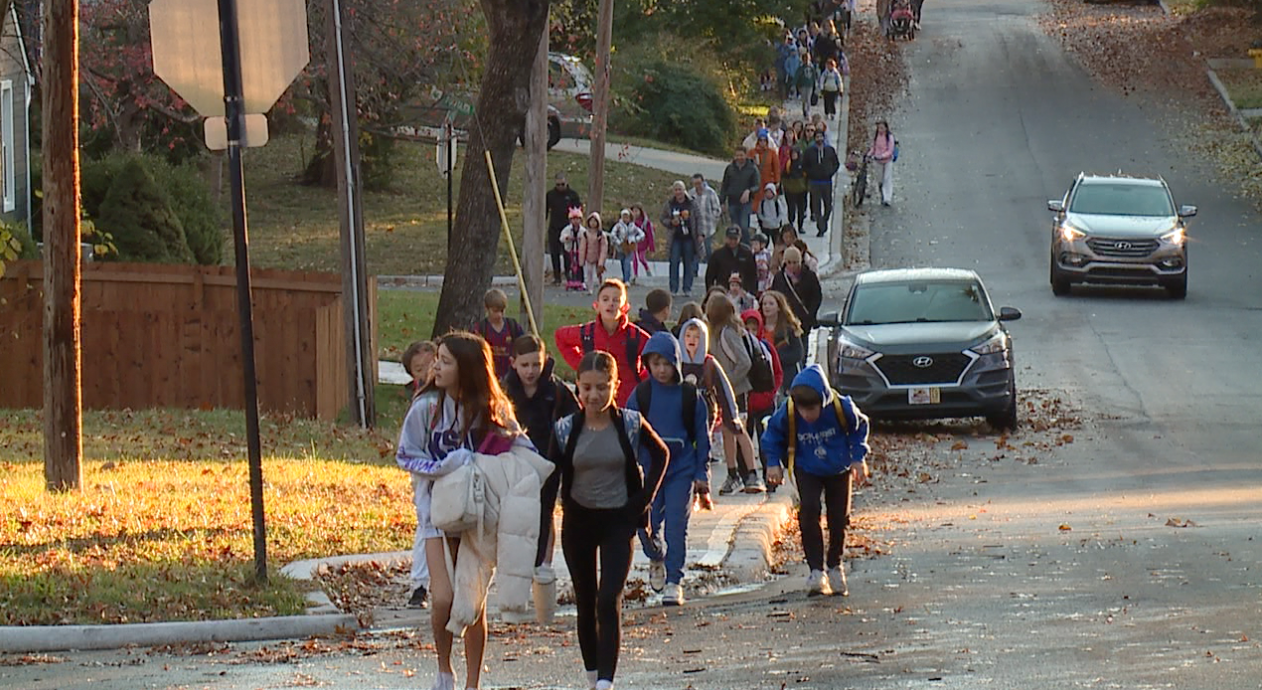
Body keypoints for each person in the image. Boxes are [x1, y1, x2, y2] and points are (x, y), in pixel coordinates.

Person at [396, 332, 539, 690]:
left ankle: (473, 682)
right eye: (436, 360)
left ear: (468, 368)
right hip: (436, 514)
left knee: (472, 603)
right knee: (443, 598)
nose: (436, 366)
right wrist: (445, 466)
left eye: (445, 361)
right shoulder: (425, 407)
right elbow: (405, 456)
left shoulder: (493, 408)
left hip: (479, 517)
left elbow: (522, 448)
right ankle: (444, 670)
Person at [548, 350, 669, 690]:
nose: (594, 395)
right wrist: (539, 525)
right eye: (587, 388)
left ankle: (606, 682)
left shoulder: (629, 423)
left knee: (608, 598)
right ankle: (591, 676)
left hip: (619, 520)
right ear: (577, 388)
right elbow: (549, 476)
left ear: (615, 386)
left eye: (602, 387)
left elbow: (661, 455)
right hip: (579, 523)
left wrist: (641, 501)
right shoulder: (565, 429)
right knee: (585, 600)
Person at [761, 364, 870, 596]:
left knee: (838, 518)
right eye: (803, 409)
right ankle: (816, 571)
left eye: (812, 409)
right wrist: (773, 462)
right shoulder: (789, 411)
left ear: (824, 401)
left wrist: (858, 458)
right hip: (806, 467)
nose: (807, 415)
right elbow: (771, 434)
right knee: (809, 510)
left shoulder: (842, 407)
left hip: (838, 468)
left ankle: (834, 564)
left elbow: (860, 427)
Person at [628, 332, 711, 606]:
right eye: (655, 363)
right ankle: (656, 557)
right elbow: (628, 434)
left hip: (681, 470)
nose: (661, 370)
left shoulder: (690, 396)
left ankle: (674, 580)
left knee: (677, 525)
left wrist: (702, 474)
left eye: (666, 363)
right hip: (650, 472)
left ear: (676, 362)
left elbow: (702, 437)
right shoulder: (641, 395)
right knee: (645, 525)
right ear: (647, 364)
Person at [502, 335, 580, 624]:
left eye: (536, 364)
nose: (531, 371)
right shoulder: (506, 389)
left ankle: (543, 565)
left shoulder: (556, 390)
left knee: (545, 512)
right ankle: (521, 567)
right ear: (514, 364)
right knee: (518, 515)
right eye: (525, 365)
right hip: (515, 462)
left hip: (549, 461)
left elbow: (575, 418)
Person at [677, 316, 762, 494]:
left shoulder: (709, 364)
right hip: (680, 414)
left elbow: (724, 390)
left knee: (702, 448)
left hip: (705, 413)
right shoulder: (676, 363)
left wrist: (732, 416)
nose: (692, 340)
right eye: (688, 336)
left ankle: (702, 485)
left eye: (697, 336)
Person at [555, 279, 650, 407]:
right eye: (605, 299)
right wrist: (582, 366)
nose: (610, 303)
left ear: (625, 307)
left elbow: (656, 354)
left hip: (628, 401)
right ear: (596, 306)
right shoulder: (587, 333)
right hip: (593, 401)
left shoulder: (635, 336)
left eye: (616, 300)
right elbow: (560, 337)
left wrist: (642, 381)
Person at [401, 340, 437, 609]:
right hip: (425, 471)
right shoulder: (421, 402)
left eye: (431, 364)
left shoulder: (453, 395)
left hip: (452, 469)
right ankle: (421, 584)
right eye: (418, 369)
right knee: (426, 522)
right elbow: (408, 449)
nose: (426, 372)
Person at [740, 308, 784, 485]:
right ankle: (746, 477)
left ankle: (770, 476)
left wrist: (770, 393)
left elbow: (778, 373)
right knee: (744, 442)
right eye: (747, 328)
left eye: (753, 328)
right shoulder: (738, 349)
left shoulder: (766, 347)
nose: (750, 332)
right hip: (745, 403)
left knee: (766, 441)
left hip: (764, 403)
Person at [770, 246, 823, 358]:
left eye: (795, 262)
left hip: (804, 319)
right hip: (785, 319)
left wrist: (810, 314)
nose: (792, 266)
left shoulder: (809, 276)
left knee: (802, 350)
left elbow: (816, 296)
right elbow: (775, 295)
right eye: (789, 262)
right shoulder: (780, 278)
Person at [475, 289, 526, 381]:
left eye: (502, 311)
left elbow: (523, 344)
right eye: (495, 311)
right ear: (486, 309)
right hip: (488, 374)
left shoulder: (512, 326)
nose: (499, 315)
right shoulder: (481, 328)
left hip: (511, 374)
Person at [759, 290, 805, 390]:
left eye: (771, 304)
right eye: (764, 304)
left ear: (779, 307)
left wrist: (775, 358)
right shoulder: (758, 328)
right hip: (764, 378)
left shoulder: (789, 329)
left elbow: (797, 353)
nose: (766, 307)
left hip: (785, 378)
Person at [661, 181, 699, 296]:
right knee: (674, 262)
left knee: (689, 263)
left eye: (680, 190)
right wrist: (671, 222)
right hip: (675, 237)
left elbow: (699, 218)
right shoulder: (669, 204)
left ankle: (687, 288)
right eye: (676, 190)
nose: (678, 192)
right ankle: (673, 288)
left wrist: (700, 234)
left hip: (689, 237)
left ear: (684, 190)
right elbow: (663, 218)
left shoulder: (691, 203)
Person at [803, 129, 841, 237]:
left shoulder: (830, 150)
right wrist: (811, 174)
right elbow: (805, 165)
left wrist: (830, 172)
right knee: (816, 206)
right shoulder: (809, 151)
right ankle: (821, 227)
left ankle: (825, 221)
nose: (819, 139)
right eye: (817, 137)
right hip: (815, 182)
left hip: (827, 182)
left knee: (828, 206)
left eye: (821, 137)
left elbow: (836, 163)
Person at [719, 147, 760, 243]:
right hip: (732, 201)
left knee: (744, 226)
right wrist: (722, 201)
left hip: (746, 203)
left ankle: (746, 247)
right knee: (735, 228)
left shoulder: (752, 168)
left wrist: (749, 191)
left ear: (746, 155)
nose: (739, 157)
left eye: (741, 155)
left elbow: (757, 185)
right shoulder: (730, 168)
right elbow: (724, 185)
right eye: (737, 155)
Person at [546, 174, 581, 285]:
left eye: (562, 184)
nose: (560, 187)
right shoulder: (550, 195)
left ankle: (568, 274)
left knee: (568, 253)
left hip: (568, 228)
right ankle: (557, 277)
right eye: (558, 184)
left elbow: (578, 211)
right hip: (554, 227)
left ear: (566, 183)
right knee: (554, 252)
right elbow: (545, 210)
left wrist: (577, 226)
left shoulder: (572, 195)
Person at [704, 226, 758, 295]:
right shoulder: (718, 254)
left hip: (743, 292)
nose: (733, 241)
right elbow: (709, 276)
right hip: (723, 292)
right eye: (730, 238)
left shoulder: (747, 253)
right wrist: (710, 293)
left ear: (740, 238)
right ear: (726, 238)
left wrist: (752, 292)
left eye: (735, 239)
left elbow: (753, 275)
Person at [688, 173, 723, 267]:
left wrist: (713, 219)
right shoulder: (691, 194)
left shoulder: (710, 192)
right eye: (695, 184)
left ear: (703, 182)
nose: (697, 186)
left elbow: (717, 209)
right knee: (695, 250)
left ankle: (710, 268)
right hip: (695, 227)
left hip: (708, 227)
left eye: (699, 183)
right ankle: (694, 270)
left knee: (707, 249)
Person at [610, 209, 644, 285]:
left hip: (630, 247)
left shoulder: (633, 226)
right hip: (621, 248)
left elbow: (642, 234)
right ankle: (625, 276)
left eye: (627, 217)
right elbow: (612, 234)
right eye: (624, 217)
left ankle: (627, 279)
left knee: (627, 262)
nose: (625, 219)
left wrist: (635, 239)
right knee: (622, 262)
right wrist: (618, 242)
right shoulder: (618, 226)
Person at [867, 120, 897, 207]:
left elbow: (890, 150)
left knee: (887, 179)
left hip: (887, 161)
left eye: (882, 128)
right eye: (879, 128)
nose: (880, 130)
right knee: (879, 179)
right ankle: (882, 195)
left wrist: (882, 156)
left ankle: (887, 198)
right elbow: (874, 148)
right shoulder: (876, 137)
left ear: (886, 128)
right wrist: (869, 154)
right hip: (878, 161)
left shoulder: (889, 137)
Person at [748, 130, 781, 207]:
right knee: (755, 201)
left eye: (764, 140)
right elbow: (747, 166)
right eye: (760, 140)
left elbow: (776, 168)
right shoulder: (752, 152)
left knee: (767, 202)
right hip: (755, 180)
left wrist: (777, 181)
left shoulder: (771, 153)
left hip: (767, 181)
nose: (762, 142)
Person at [579, 212, 609, 294]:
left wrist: (602, 260)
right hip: (589, 256)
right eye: (591, 221)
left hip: (598, 256)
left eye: (595, 221)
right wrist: (581, 260)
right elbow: (582, 247)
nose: (593, 223)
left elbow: (604, 247)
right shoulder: (585, 234)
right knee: (589, 272)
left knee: (599, 272)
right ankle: (590, 288)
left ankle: (601, 285)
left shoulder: (601, 234)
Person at [781, 148, 809, 233]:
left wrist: (806, 187)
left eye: (795, 154)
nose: (794, 156)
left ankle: (800, 225)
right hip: (790, 190)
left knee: (801, 209)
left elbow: (807, 176)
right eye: (792, 154)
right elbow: (783, 176)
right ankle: (791, 223)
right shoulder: (788, 164)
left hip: (801, 190)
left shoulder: (803, 164)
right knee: (791, 208)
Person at [560, 208, 586, 290]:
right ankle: (570, 280)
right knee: (569, 264)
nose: (575, 221)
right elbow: (561, 238)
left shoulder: (582, 230)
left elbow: (586, 238)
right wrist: (567, 238)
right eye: (573, 219)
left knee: (579, 265)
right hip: (569, 249)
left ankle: (581, 281)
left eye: (577, 219)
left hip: (579, 249)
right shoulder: (567, 229)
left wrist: (581, 239)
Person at [629, 204, 655, 280]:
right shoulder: (630, 223)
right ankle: (635, 274)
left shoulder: (645, 222)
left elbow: (650, 235)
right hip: (634, 243)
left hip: (643, 244)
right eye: (633, 211)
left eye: (636, 211)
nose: (635, 213)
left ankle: (647, 268)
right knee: (635, 259)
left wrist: (651, 247)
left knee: (641, 258)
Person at [795, 52, 820, 120]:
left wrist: (816, 84)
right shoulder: (801, 68)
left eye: (808, 59)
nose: (807, 61)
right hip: (802, 85)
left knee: (808, 98)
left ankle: (808, 111)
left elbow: (814, 76)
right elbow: (797, 76)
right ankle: (804, 110)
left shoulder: (811, 68)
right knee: (804, 99)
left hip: (810, 85)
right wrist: (795, 84)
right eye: (805, 59)